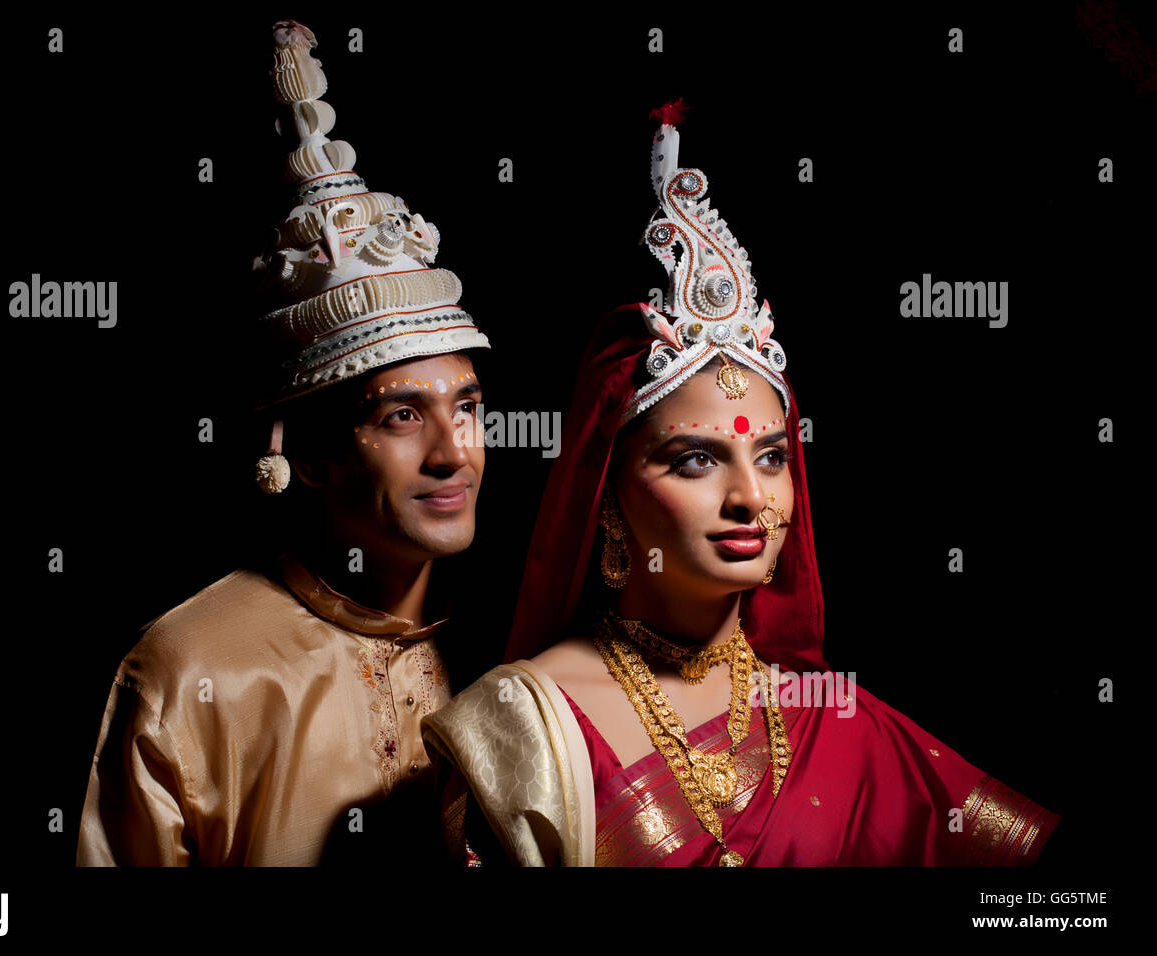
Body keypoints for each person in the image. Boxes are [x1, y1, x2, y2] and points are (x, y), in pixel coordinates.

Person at [421, 102, 1058, 866]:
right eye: (695, 459)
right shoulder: (525, 721)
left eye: (771, 457)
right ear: (607, 492)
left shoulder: (836, 718)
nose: (750, 499)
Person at [76, 20, 492, 866]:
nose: (454, 452)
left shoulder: (516, 638)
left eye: (470, 408)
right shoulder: (192, 667)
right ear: (307, 454)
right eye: (402, 416)